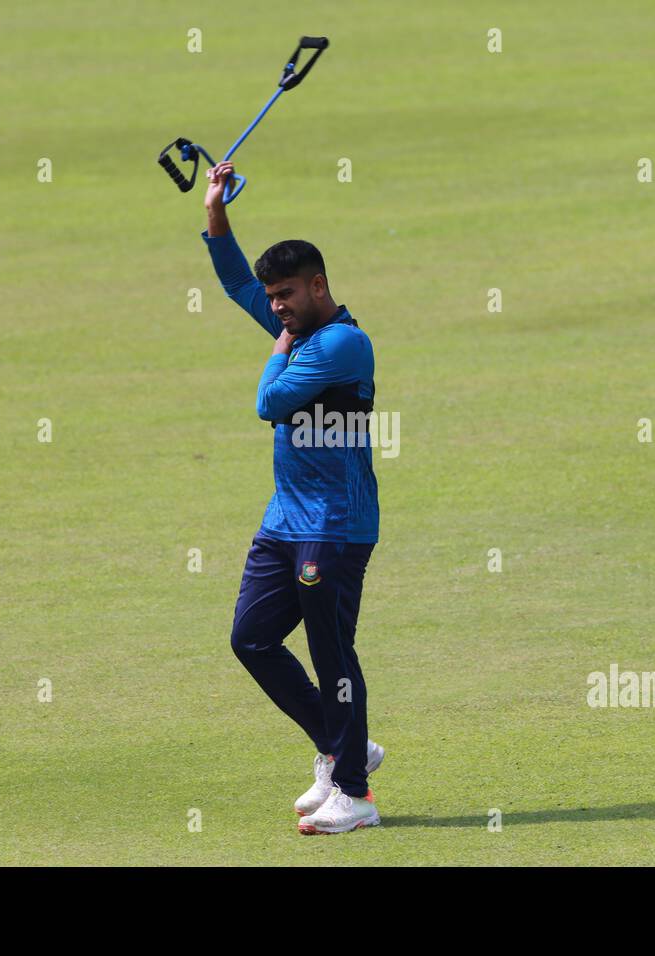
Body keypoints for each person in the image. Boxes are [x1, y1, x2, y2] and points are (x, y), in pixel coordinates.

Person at [200, 160, 383, 834]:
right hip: (286, 522)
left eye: (285, 296)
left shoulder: (340, 344)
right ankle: (345, 745)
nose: (274, 306)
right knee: (251, 640)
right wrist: (216, 209)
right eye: (273, 298)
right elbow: (233, 281)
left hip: (336, 525)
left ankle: (355, 793)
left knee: (333, 652)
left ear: (318, 286)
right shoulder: (301, 330)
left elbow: (268, 401)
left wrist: (277, 344)